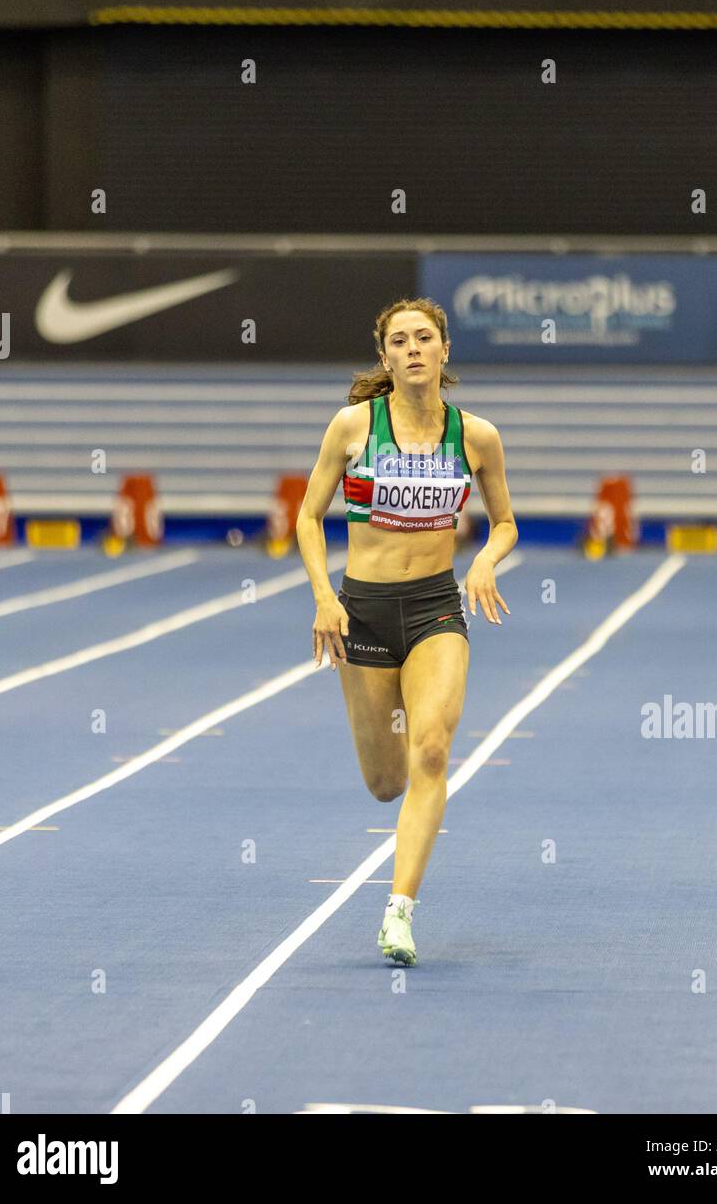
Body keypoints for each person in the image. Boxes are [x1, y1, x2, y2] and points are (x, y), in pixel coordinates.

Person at [296, 297, 517, 964]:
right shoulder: (352, 427)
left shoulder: (475, 436)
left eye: (426, 337)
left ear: (445, 351)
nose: (414, 348)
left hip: (434, 610)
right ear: (385, 355)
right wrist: (323, 598)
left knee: (429, 752)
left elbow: (505, 521)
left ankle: (399, 912)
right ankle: (398, 880)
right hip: (361, 612)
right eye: (401, 340)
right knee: (387, 781)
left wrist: (483, 558)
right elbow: (308, 518)